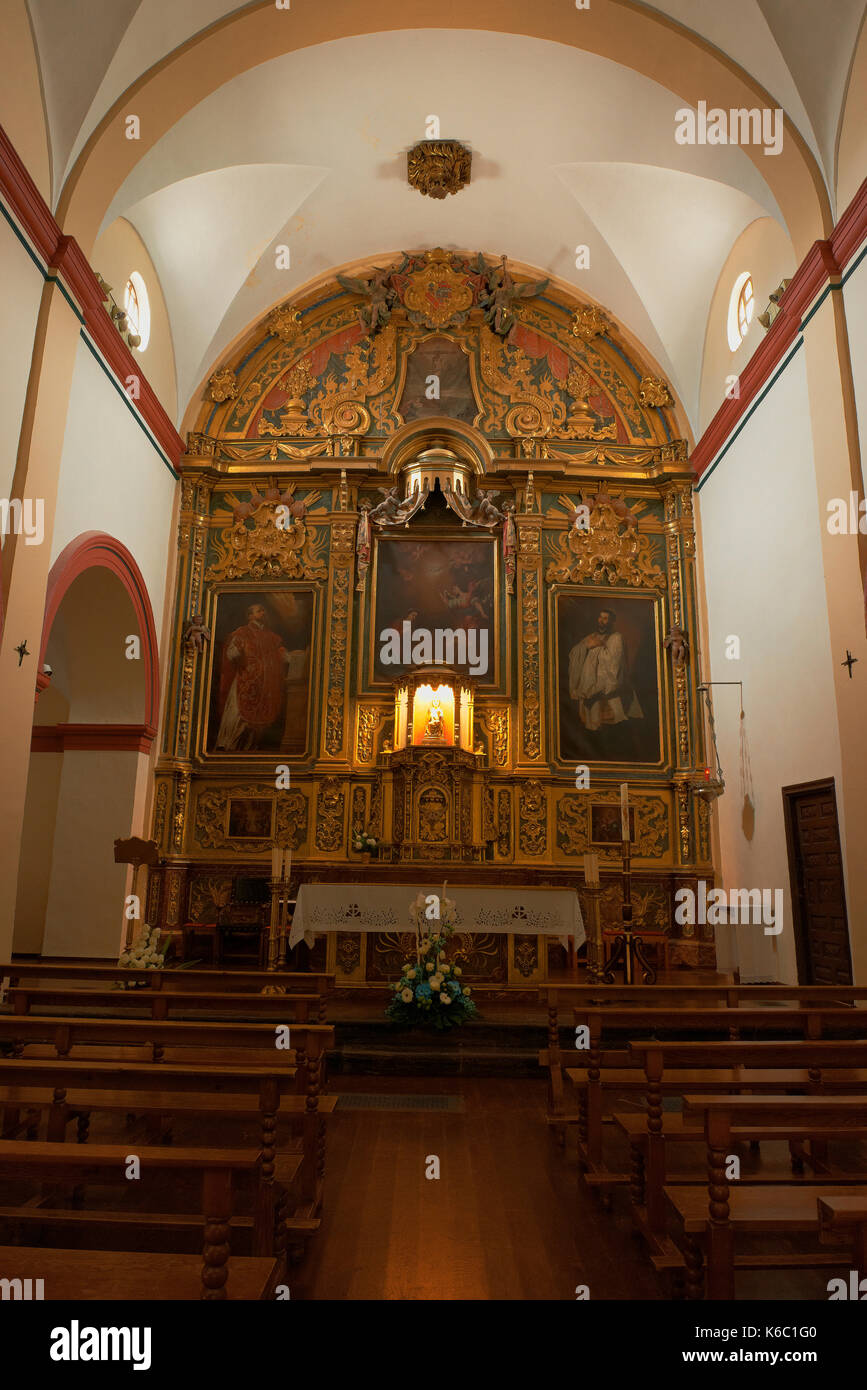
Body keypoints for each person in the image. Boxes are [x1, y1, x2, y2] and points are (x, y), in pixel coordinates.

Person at [215, 603, 294, 750]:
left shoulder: (272, 637)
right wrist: (238, 654)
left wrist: (295, 658)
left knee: (258, 723)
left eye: (263, 610)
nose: (263, 613)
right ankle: (227, 746)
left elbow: (283, 654)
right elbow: (231, 653)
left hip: (265, 683)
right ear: (250, 616)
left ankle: (250, 749)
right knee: (237, 715)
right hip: (245, 680)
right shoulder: (242, 632)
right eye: (258, 611)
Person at [568, 608, 643, 732]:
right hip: (589, 685)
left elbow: (616, 662)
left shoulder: (616, 638)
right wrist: (587, 646)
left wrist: (599, 646)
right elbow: (574, 653)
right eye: (600, 617)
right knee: (590, 725)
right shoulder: (592, 636)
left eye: (605, 618)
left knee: (608, 727)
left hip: (605, 688)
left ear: (611, 621)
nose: (601, 621)